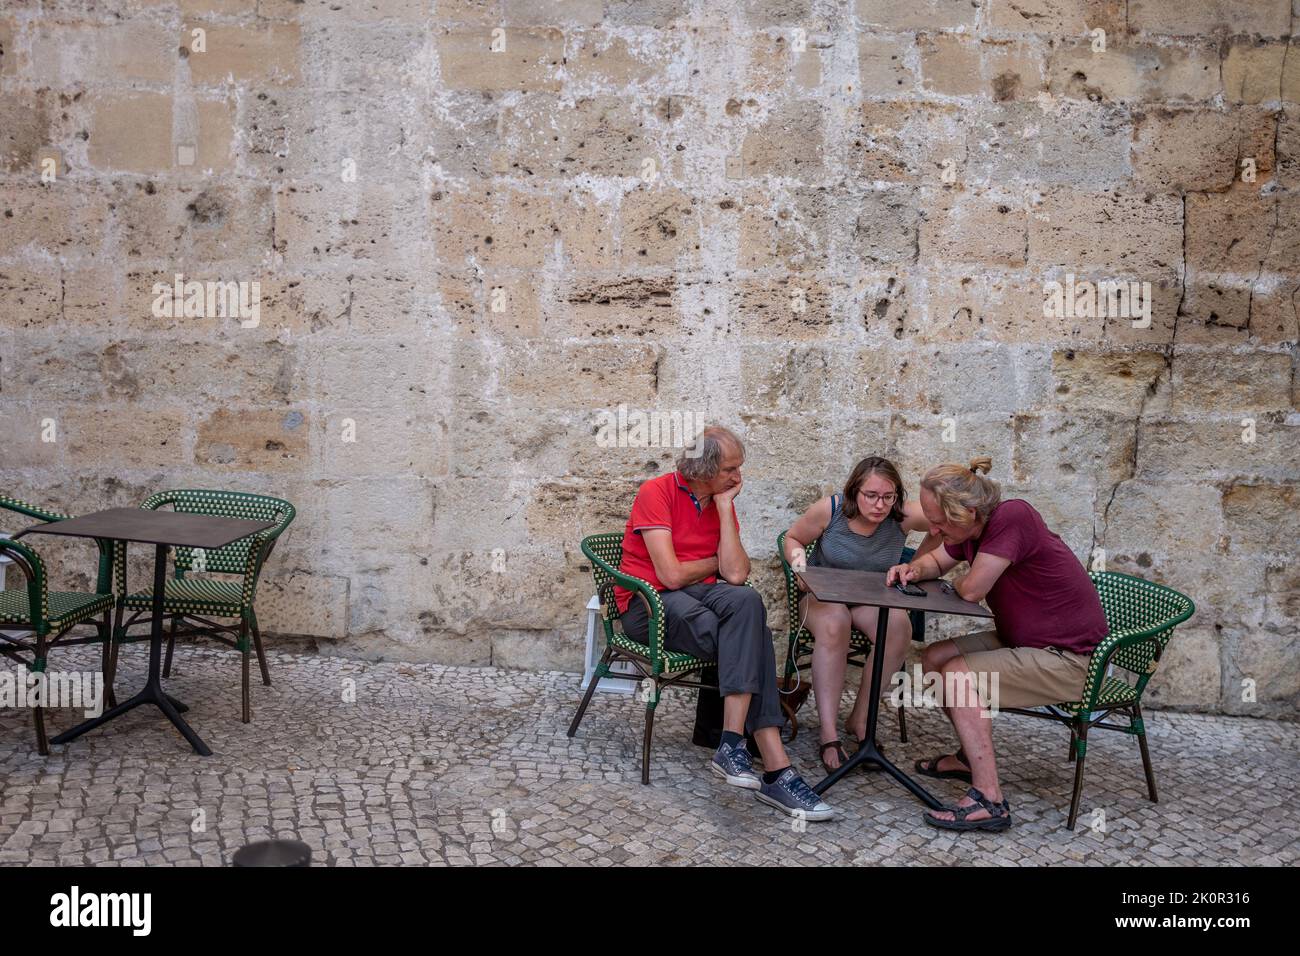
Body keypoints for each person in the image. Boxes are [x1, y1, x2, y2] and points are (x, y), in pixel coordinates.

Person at [615, 426, 835, 821]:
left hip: (697, 595)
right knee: (752, 645)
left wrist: (721, 508)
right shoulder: (657, 492)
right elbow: (669, 576)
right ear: (701, 469)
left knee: (747, 601)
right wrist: (711, 564)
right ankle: (775, 770)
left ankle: (733, 744)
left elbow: (736, 575)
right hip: (647, 605)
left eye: (739, 468)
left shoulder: (720, 500)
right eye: (730, 469)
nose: (738, 478)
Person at [886, 457, 1109, 832]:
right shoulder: (970, 531)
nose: (935, 531)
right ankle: (969, 758)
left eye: (940, 521)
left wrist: (958, 582)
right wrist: (913, 569)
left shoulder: (1012, 517)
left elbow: (971, 590)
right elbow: (936, 563)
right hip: (1026, 642)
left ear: (970, 511)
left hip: (1073, 660)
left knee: (957, 675)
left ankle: (989, 799)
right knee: (934, 658)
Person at [781, 456, 938, 772]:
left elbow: (945, 523)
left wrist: (916, 566)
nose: (880, 505)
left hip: (870, 598)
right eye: (871, 496)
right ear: (855, 492)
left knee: (898, 627)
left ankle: (861, 719)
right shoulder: (831, 509)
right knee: (835, 624)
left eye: (887, 497)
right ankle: (828, 733)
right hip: (824, 595)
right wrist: (800, 565)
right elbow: (793, 538)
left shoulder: (901, 515)